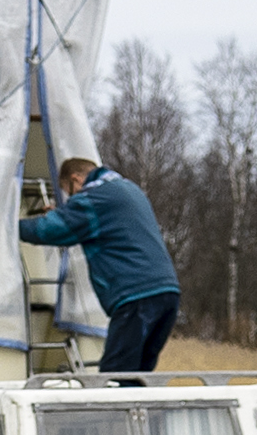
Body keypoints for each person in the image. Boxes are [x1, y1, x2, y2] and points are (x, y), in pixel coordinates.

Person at [18, 156, 183, 378]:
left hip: (135, 297)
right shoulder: (127, 189)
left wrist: (9, 226)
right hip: (167, 294)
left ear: (76, 179)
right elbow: (103, 222)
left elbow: (51, 230)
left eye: (69, 191)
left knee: (115, 376)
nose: (71, 198)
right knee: (139, 376)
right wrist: (66, 212)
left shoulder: (93, 198)